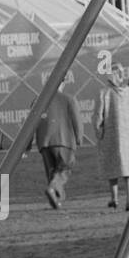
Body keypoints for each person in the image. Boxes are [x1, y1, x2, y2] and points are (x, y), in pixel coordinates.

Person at [30, 69, 84, 208]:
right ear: (62, 83)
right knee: (65, 169)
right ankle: (53, 190)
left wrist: (27, 145)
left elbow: (30, 125)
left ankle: (56, 200)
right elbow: (77, 120)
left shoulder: (37, 101)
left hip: (45, 144)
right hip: (64, 141)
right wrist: (79, 137)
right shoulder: (68, 99)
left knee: (52, 171)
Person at [97, 64, 129, 212]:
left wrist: (99, 134)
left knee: (113, 167)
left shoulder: (104, 93)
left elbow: (98, 116)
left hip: (111, 136)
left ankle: (115, 198)